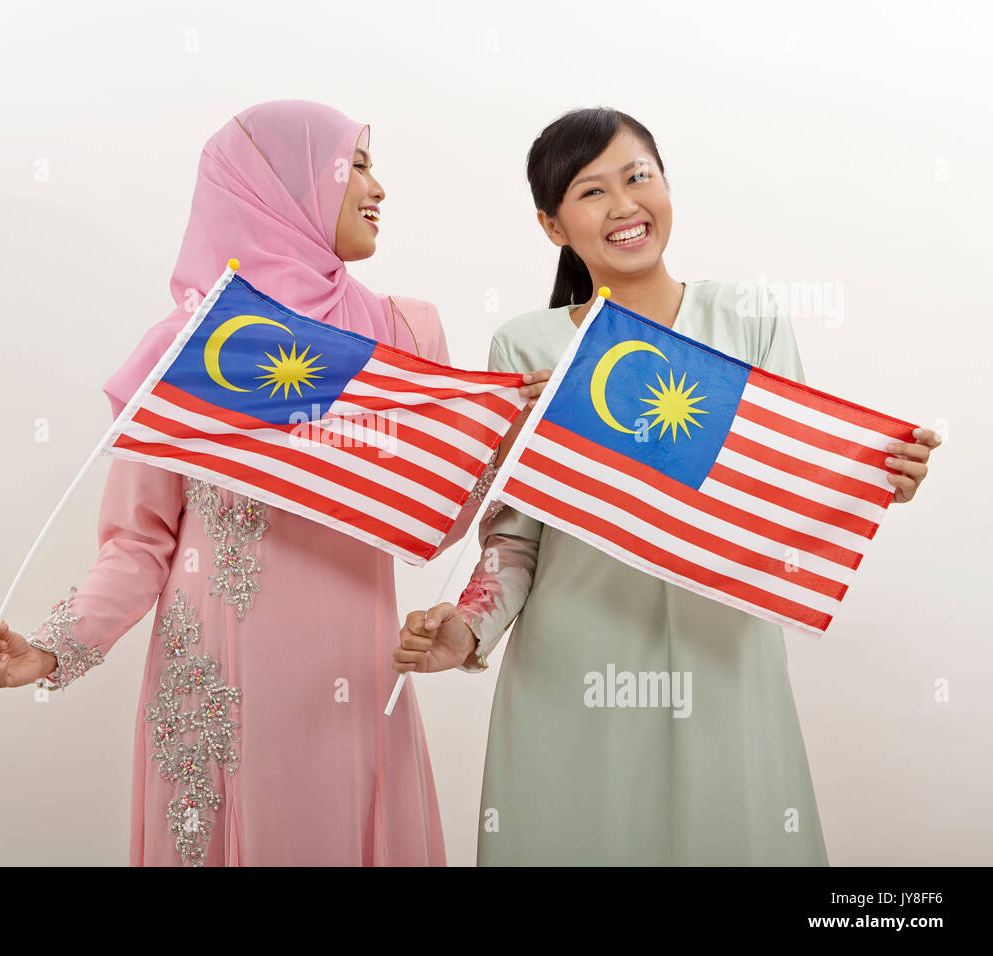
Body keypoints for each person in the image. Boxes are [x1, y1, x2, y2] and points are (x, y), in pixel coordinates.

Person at [0, 99, 544, 866]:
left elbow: (432, 518)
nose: (379, 187)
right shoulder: (196, 346)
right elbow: (139, 545)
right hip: (215, 696)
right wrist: (53, 648)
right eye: (356, 165)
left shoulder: (405, 334)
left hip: (348, 691)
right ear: (280, 188)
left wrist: (504, 429)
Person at [393, 107, 940, 865]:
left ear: (666, 184)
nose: (624, 206)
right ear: (553, 226)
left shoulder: (746, 317)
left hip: (724, 662)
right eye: (591, 192)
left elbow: (794, 488)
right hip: (574, 671)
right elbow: (516, 537)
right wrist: (470, 628)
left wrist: (874, 483)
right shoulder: (528, 346)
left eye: (637, 176)